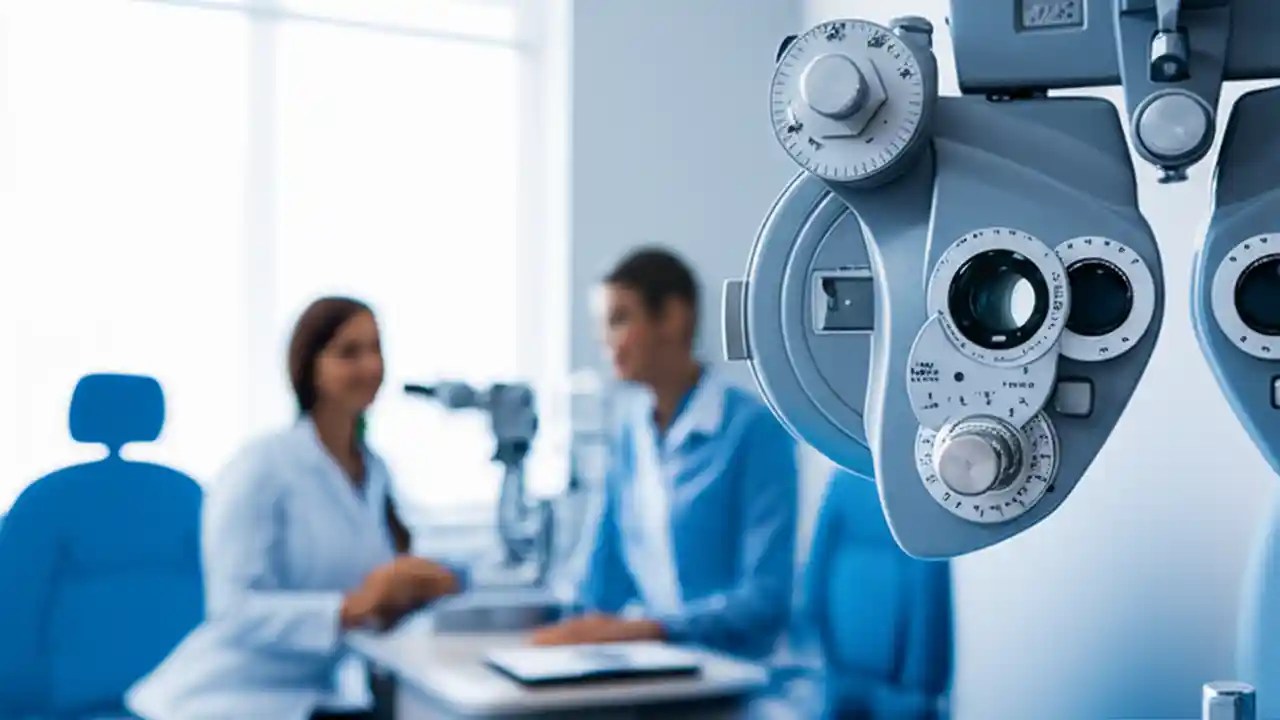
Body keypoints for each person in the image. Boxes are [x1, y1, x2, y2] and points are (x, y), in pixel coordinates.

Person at [126, 296, 465, 720]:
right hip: (221, 699)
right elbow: (233, 609)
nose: (371, 366)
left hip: (308, 697)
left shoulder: (374, 471)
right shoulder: (263, 465)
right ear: (310, 367)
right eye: (349, 352)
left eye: (376, 349)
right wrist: (352, 608)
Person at [532, 248, 799, 659]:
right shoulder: (630, 428)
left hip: (737, 674)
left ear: (673, 317)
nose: (606, 340)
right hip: (659, 665)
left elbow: (764, 601)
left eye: (619, 319)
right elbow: (599, 580)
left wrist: (648, 630)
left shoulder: (753, 430)